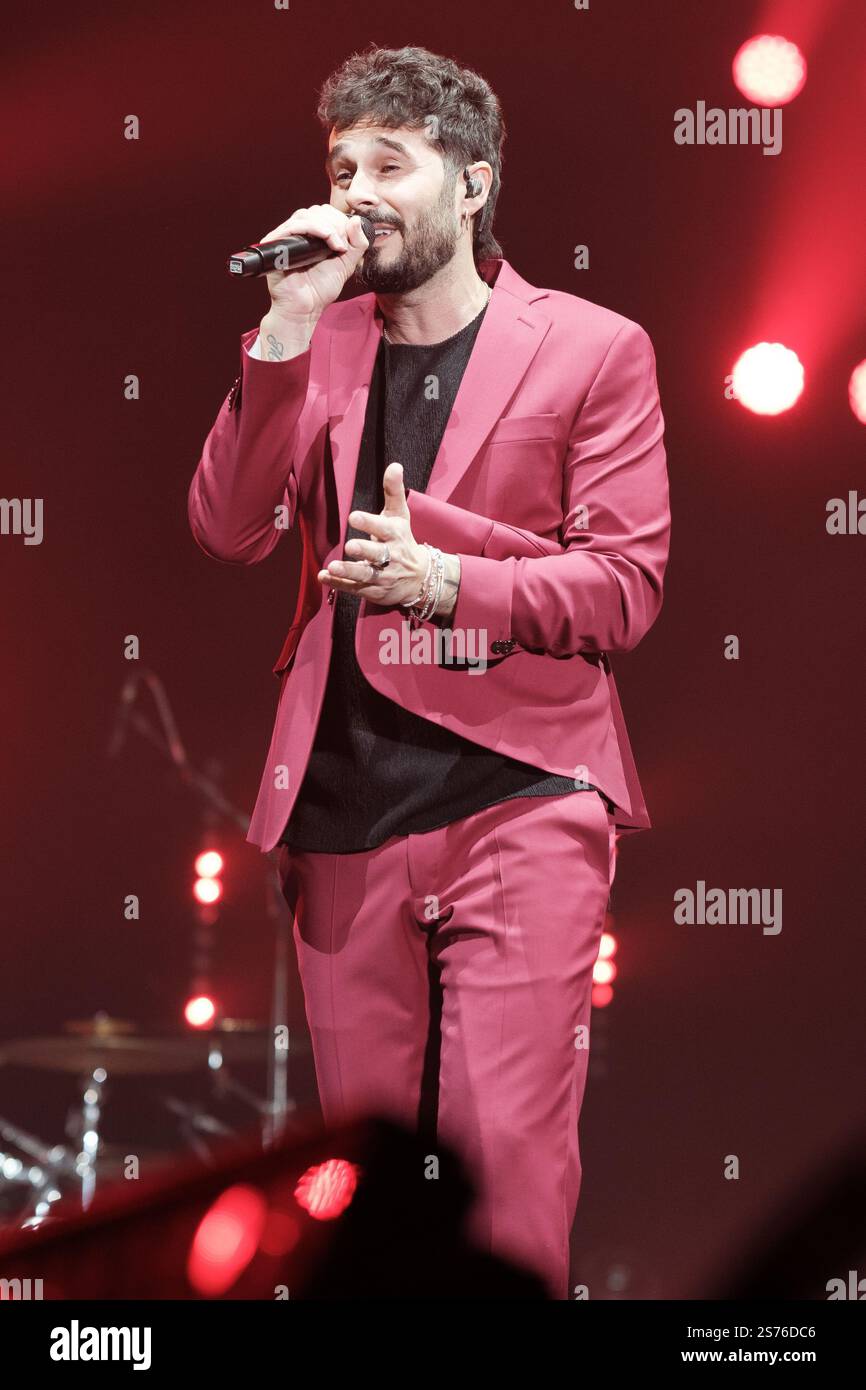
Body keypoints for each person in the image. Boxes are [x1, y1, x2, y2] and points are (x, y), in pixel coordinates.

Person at [189, 43, 670, 1299]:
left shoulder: (591, 349)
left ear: (470, 186)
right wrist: (285, 327)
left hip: (516, 793)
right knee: (372, 1204)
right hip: (343, 818)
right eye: (339, 164)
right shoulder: (319, 343)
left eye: (387, 163)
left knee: (501, 1173)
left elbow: (621, 590)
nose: (355, 189)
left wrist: (450, 580)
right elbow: (226, 528)